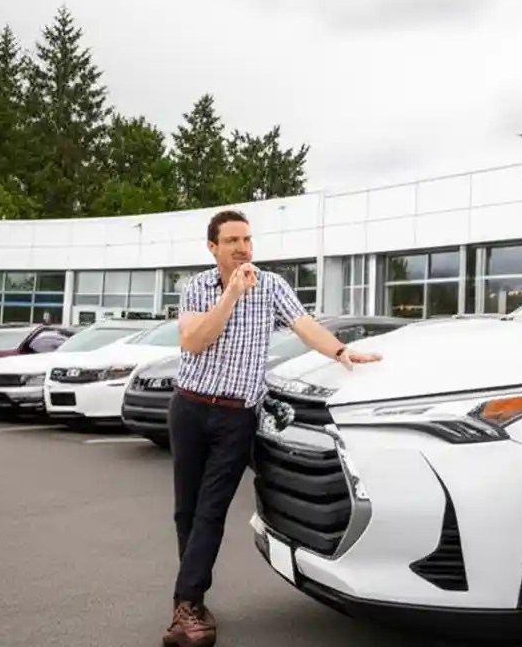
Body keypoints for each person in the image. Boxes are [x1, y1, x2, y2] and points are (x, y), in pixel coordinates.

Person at [163, 209, 382, 647]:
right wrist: (231, 296)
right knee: (186, 511)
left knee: (211, 510)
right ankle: (190, 599)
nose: (243, 248)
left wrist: (341, 351)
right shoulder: (197, 288)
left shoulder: (273, 286)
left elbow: (304, 326)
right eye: (232, 241)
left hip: (235, 417)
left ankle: (188, 605)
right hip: (188, 409)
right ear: (213, 247)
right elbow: (193, 340)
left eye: (247, 239)